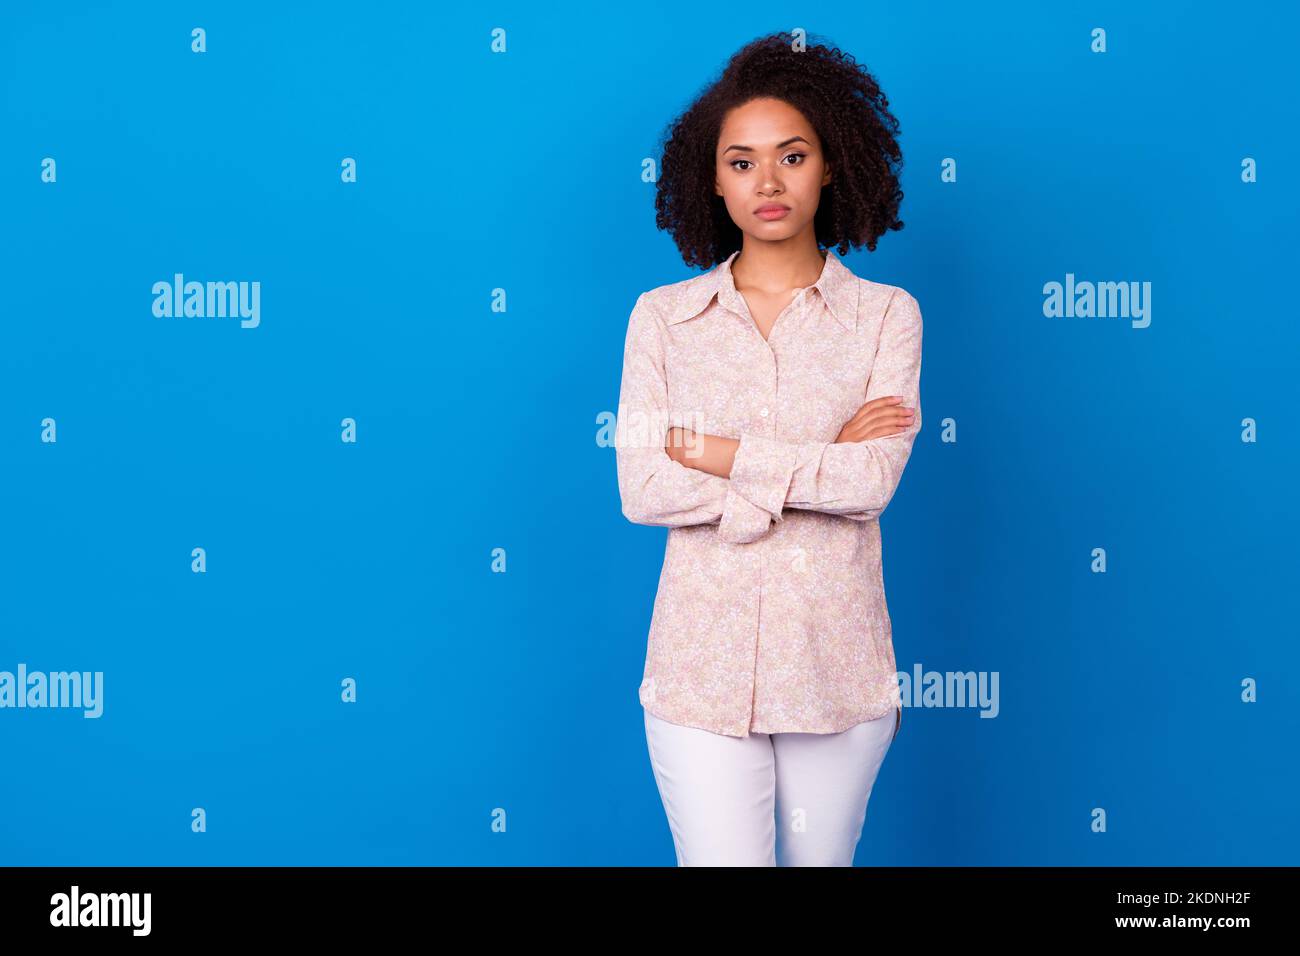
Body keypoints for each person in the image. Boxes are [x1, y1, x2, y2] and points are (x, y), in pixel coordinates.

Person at [614, 31, 924, 866]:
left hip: (838, 669)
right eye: (742, 162)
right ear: (712, 180)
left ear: (830, 165)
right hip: (696, 676)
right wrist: (811, 461)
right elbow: (642, 489)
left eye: (792, 156)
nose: (769, 181)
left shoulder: (887, 317)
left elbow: (870, 484)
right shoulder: (662, 320)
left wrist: (712, 449)